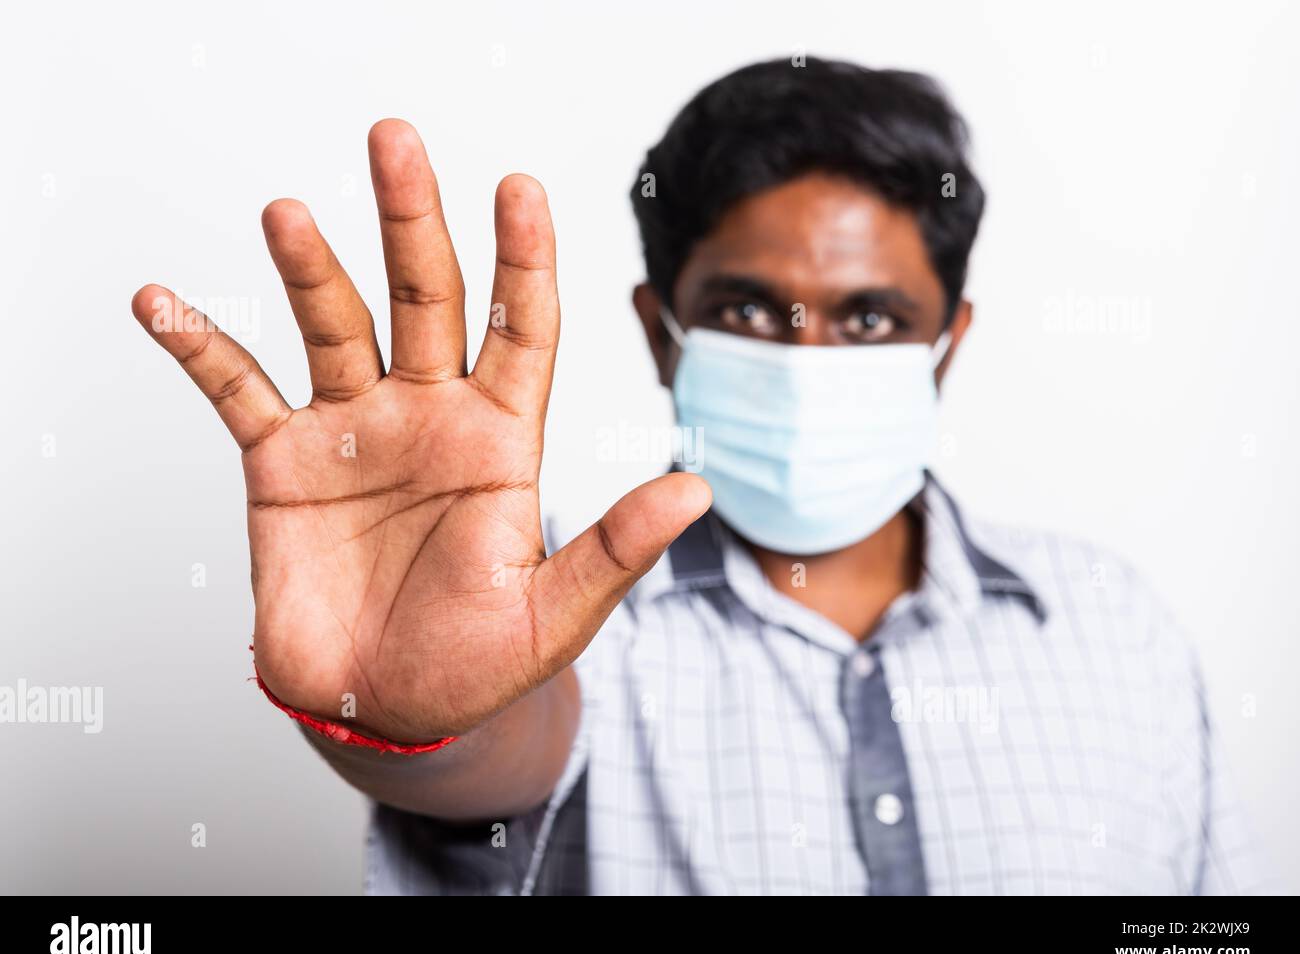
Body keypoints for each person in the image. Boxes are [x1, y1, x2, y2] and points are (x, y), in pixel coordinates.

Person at [128, 56, 1264, 895]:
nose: (809, 358)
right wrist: (407, 717)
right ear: (663, 334)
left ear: (946, 343)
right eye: (748, 309)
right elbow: (497, 738)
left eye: (871, 316)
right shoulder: (544, 622)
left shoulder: (1116, 630)